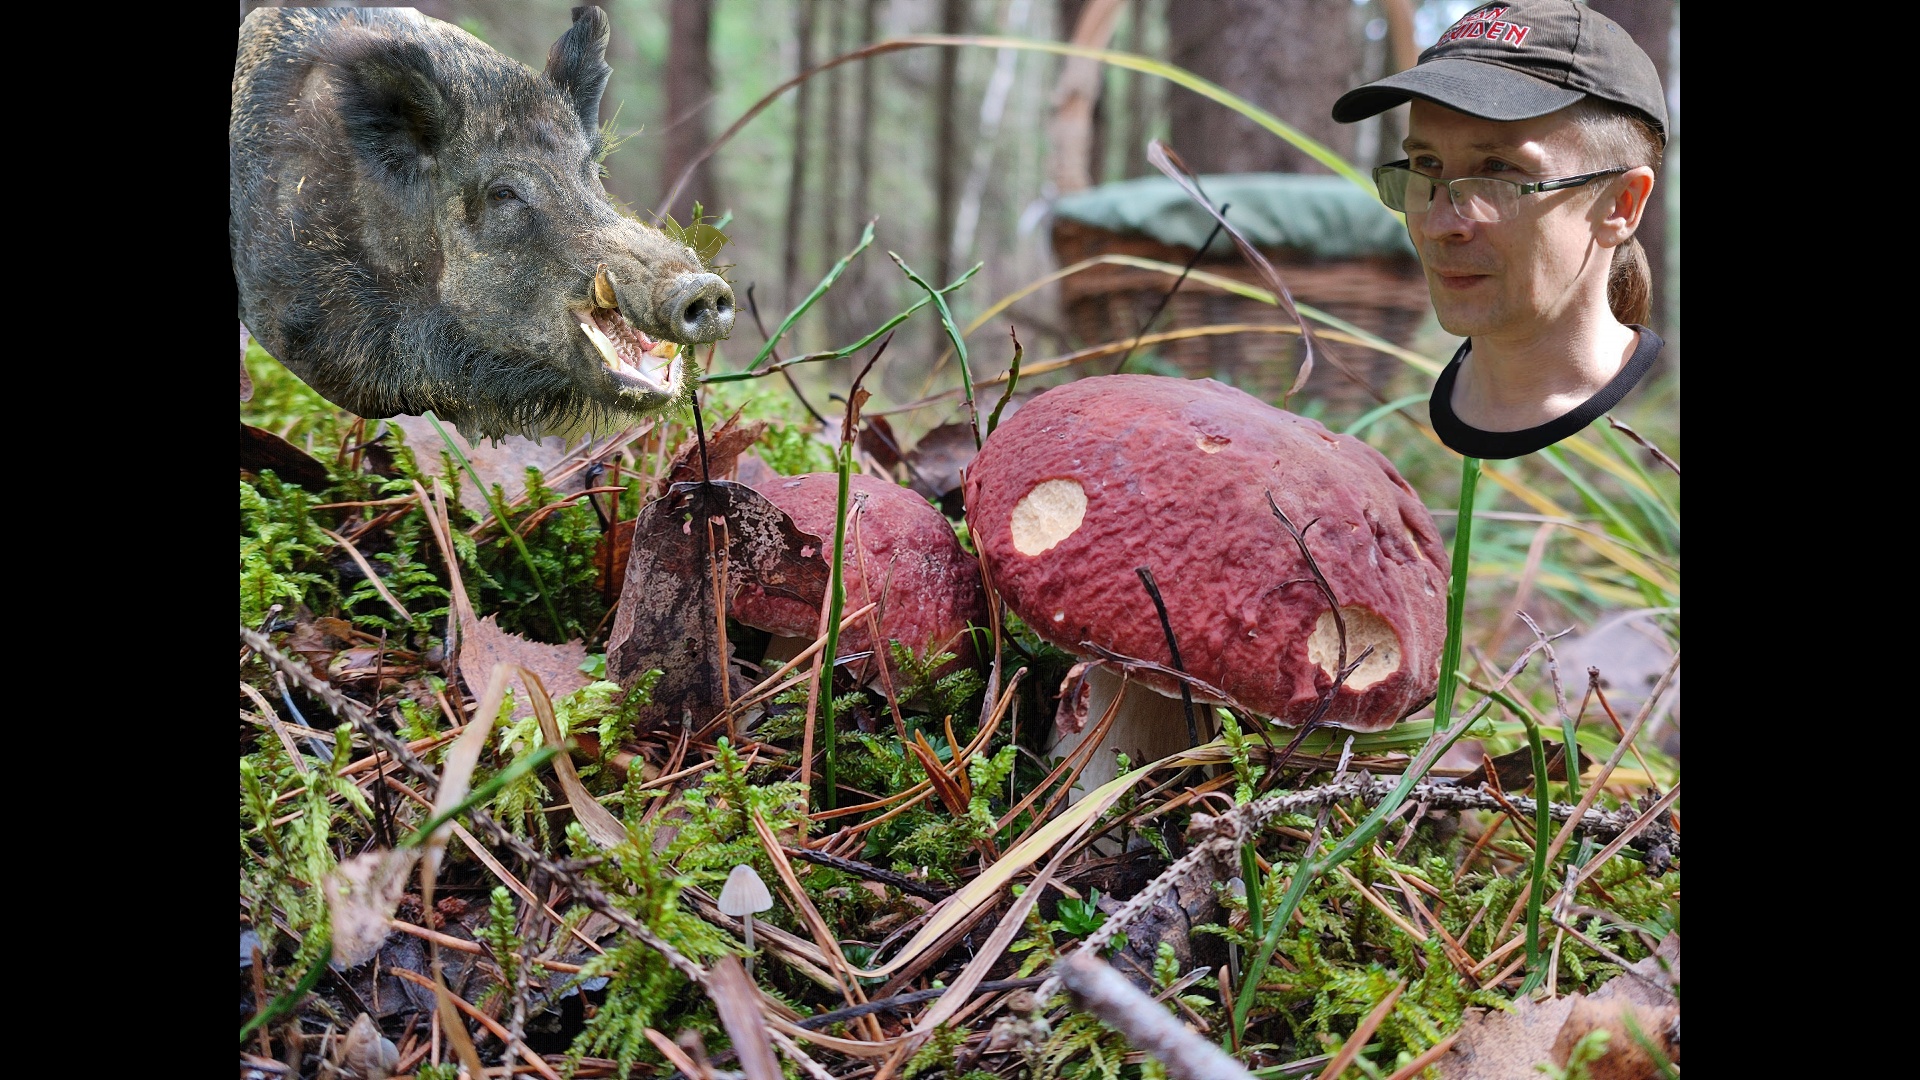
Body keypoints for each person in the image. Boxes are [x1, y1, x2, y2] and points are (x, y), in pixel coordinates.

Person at [1331, 0, 1668, 459]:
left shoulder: (1656, 452)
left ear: (1620, 205)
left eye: (1497, 171)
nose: (1440, 224)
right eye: (1426, 164)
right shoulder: (1369, 423)